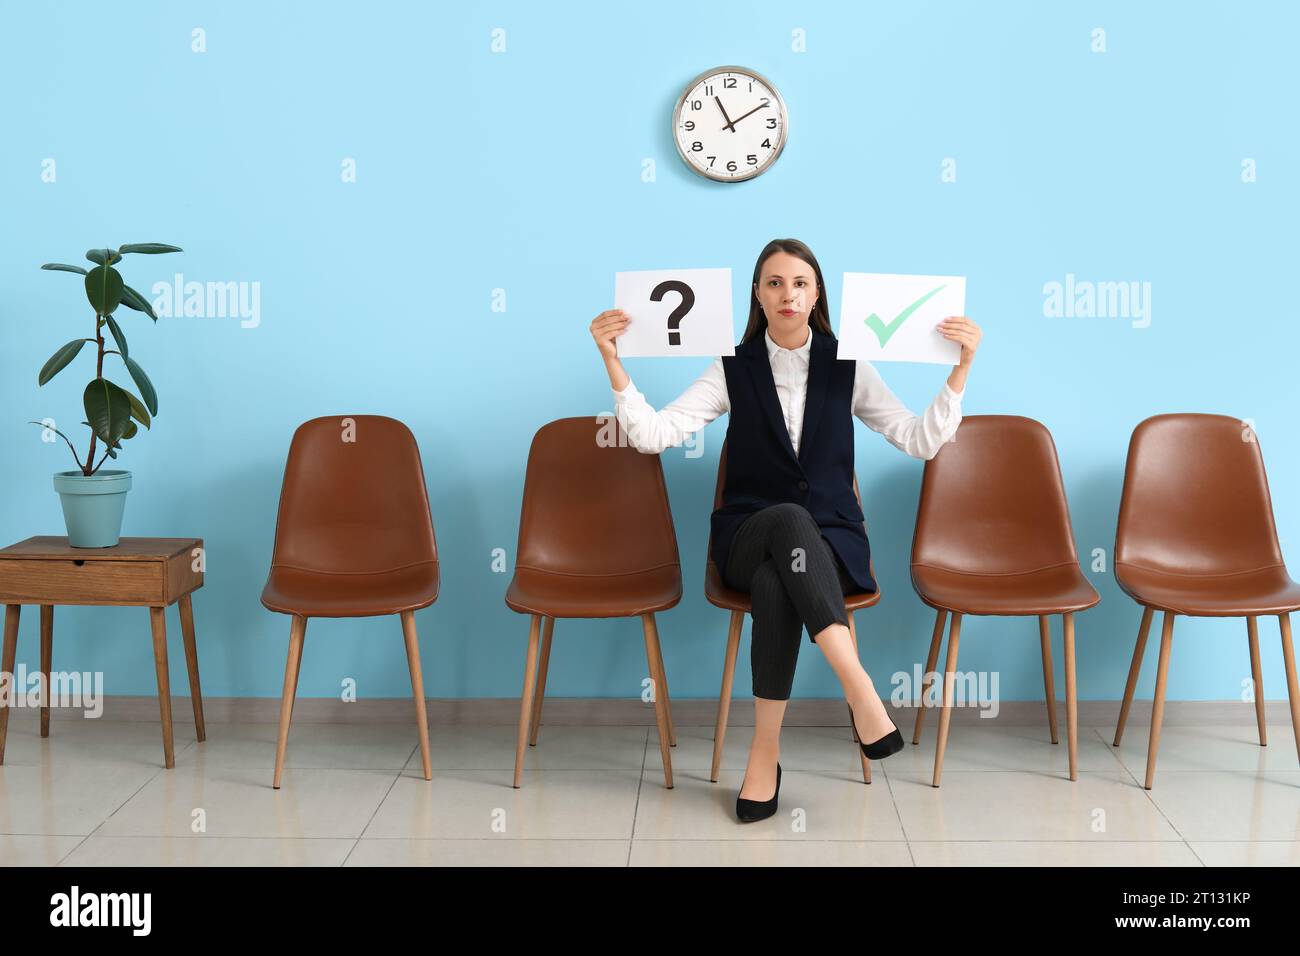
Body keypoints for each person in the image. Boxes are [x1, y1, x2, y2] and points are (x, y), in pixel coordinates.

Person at [589, 238, 981, 822]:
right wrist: (613, 362)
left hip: (827, 548)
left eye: (799, 282)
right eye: (774, 283)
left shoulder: (848, 364)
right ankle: (861, 689)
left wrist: (961, 370)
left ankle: (764, 755)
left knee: (780, 580)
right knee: (784, 528)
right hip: (746, 536)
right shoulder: (732, 367)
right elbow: (654, 434)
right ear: (757, 294)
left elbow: (919, 439)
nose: (787, 294)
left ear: (816, 293)